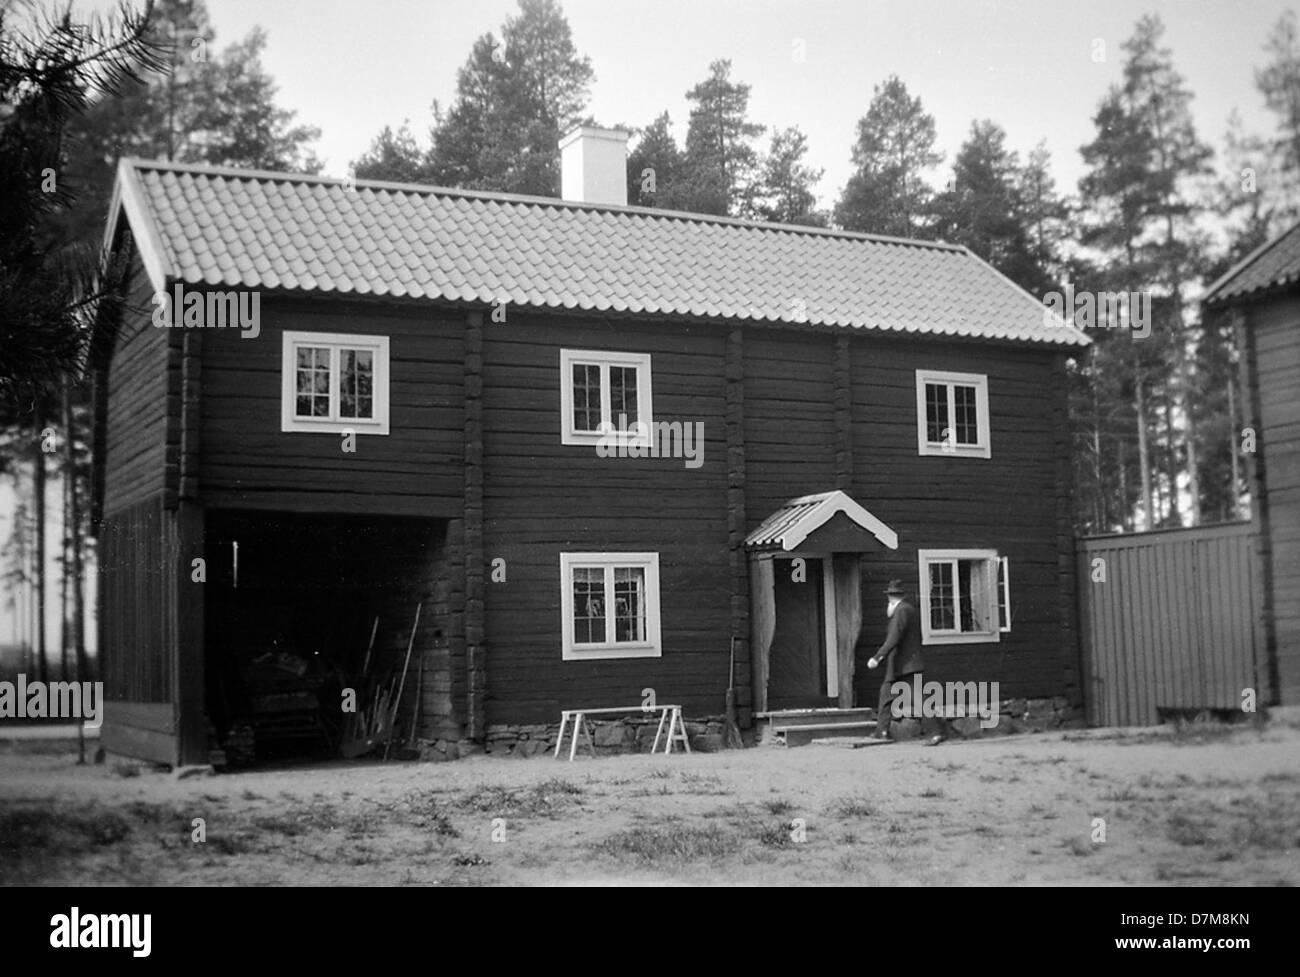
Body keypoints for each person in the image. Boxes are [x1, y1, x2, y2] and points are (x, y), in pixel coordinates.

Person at [867, 579, 945, 746]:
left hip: (906, 666)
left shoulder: (901, 611)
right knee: (885, 696)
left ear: (891, 599)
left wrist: (877, 657)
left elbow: (894, 638)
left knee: (920, 699)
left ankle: (935, 733)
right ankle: (881, 732)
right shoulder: (908, 610)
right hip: (899, 666)